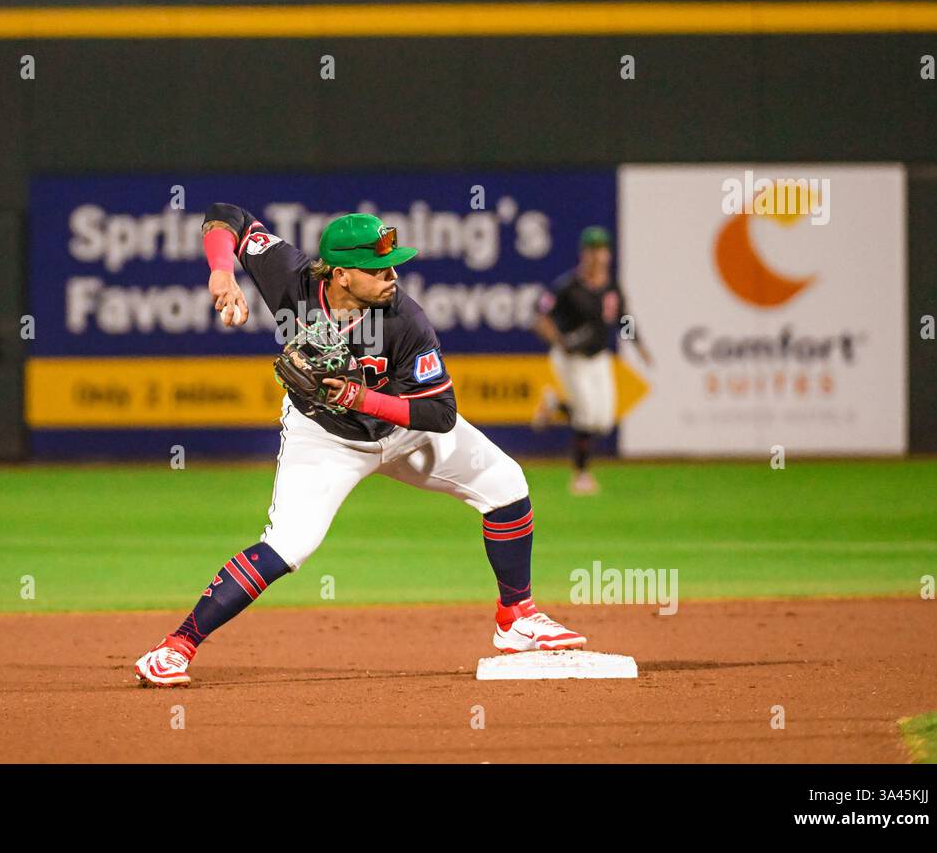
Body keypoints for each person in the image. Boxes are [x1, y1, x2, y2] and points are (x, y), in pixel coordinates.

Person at [133, 204, 587, 687]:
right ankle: (176, 647)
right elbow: (226, 217)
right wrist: (222, 273)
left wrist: (359, 396)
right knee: (289, 546)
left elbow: (440, 413)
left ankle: (515, 617)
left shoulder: (406, 318)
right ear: (342, 275)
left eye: (392, 265)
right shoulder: (290, 277)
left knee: (505, 484)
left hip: (405, 431)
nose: (392, 276)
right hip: (325, 439)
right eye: (377, 269)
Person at [532, 225, 652, 494]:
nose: (598, 256)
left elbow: (624, 319)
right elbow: (541, 316)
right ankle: (581, 475)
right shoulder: (568, 286)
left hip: (599, 358)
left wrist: (639, 346)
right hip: (571, 359)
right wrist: (558, 340)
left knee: (603, 421)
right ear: (583, 254)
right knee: (586, 417)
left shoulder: (611, 287)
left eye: (602, 250)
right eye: (593, 250)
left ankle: (555, 404)